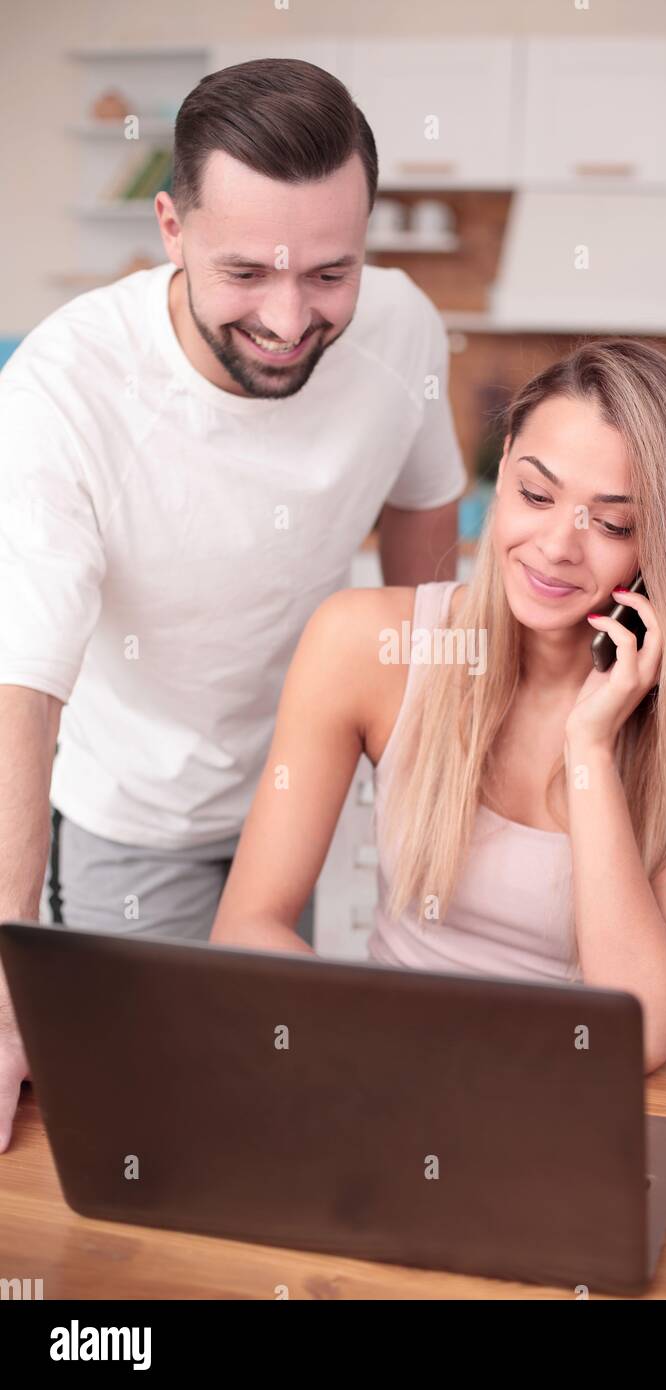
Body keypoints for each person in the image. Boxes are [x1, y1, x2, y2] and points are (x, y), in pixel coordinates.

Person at [0, 59, 467, 1150]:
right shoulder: (66, 391)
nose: (289, 317)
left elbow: (424, 519)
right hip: (130, 820)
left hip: (290, 808)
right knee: (147, 1126)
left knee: (262, 1107)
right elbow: (21, 692)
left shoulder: (399, 328)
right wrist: (3, 969)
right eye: (245, 271)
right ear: (170, 225)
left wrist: (430, 766)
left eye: (327, 274)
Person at [211, 338, 666, 1074]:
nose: (557, 545)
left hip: (570, 1095)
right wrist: (385, 1053)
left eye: (614, 524)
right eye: (534, 494)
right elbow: (246, 925)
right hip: (381, 1067)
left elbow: (644, 1031)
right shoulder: (364, 641)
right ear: (503, 473)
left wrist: (590, 748)